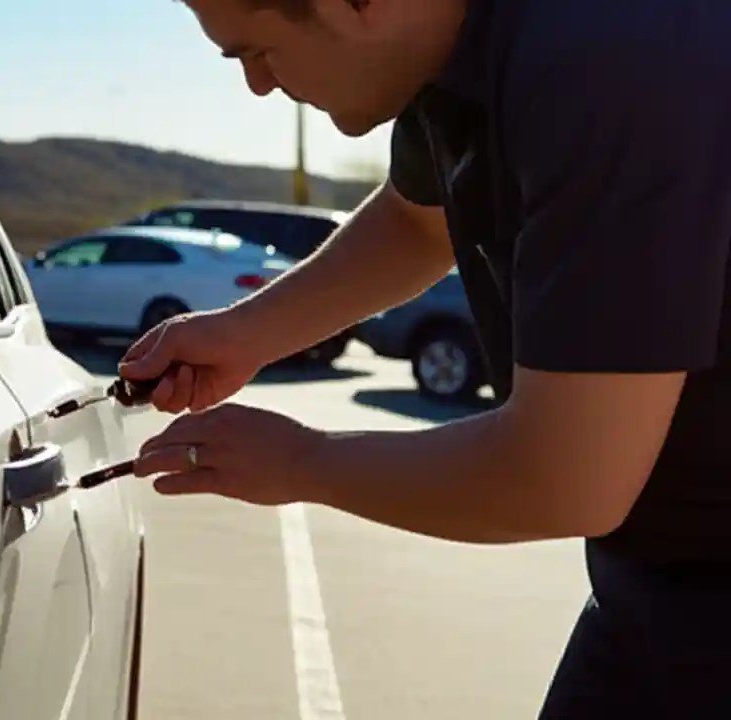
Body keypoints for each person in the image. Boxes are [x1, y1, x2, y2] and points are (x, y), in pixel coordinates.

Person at [123, 0, 731, 716]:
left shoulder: (615, 60)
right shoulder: (449, 51)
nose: (257, 85)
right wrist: (243, 333)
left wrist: (298, 463)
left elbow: (566, 480)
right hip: (651, 584)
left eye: (255, 50)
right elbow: (418, 219)